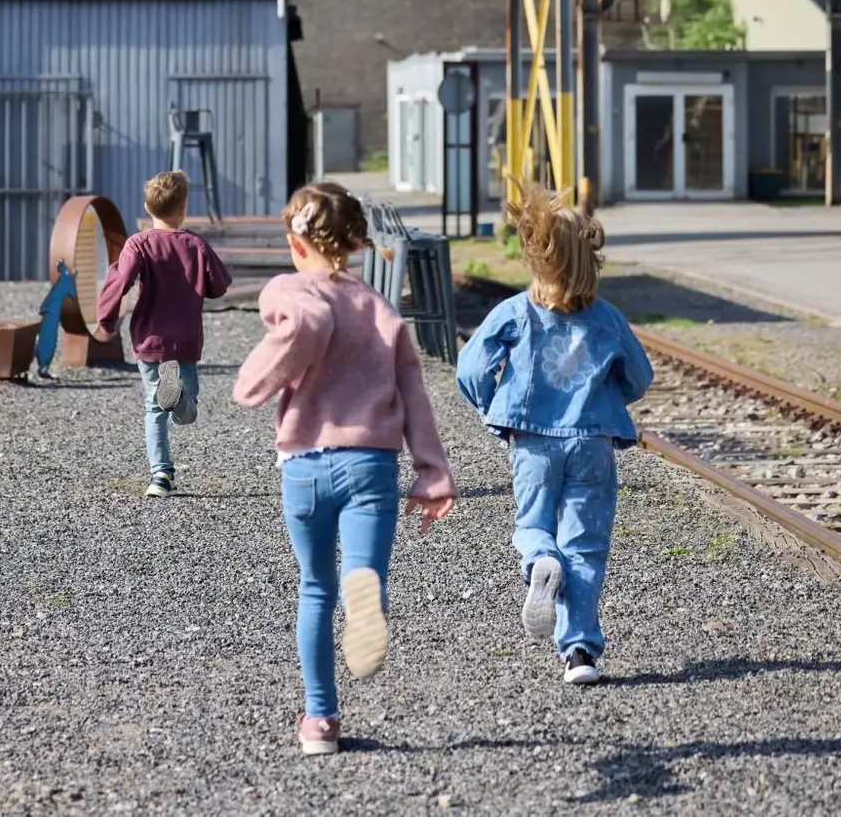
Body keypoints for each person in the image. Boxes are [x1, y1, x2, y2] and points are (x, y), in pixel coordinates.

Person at [233, 181, 457, 756]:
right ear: (356, 243)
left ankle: (320, 721)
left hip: (304, 466)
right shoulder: (381, 310)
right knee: (364, 579)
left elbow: (256, 382)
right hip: (371, 465)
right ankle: (369, 605)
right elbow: (413, 391)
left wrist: (268, 362)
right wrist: (431, 469)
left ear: (294, 240)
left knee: (314, 588)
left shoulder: (290, 291)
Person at [456, 182, 652, 686]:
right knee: (585, 546)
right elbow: (638, 378)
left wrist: (490, 406)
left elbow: (472, 367)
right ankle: (580, 653)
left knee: (533, 525)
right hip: (592, 444)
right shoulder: (608, 319)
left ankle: (541, 560)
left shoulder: (516, 312)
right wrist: (604, 399)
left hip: (532, 443)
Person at [95, 170, 232, 498]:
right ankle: (181, 398)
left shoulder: (138, 244)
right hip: (184, 339)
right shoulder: (195, 244)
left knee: (153, 408)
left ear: (146, 207)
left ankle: (160, 476)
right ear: (183, 209)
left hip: (149, 339)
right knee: (187, 411)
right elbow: (219, 286)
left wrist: (106, 320)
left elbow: (120, 281)